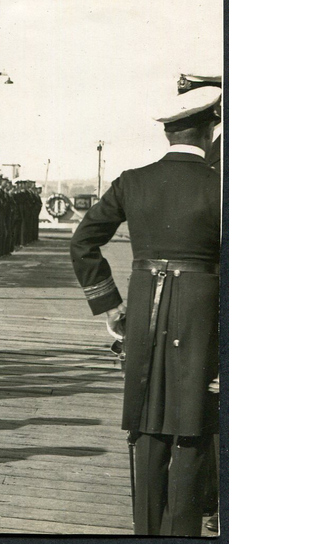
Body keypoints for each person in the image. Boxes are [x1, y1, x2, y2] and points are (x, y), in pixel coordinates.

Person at [69, 82, 222, 536]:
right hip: (203, 314)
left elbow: (83, 242)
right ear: (211, 129)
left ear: (168, 133)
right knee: (194, 425)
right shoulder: (225, 186)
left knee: (148, 423)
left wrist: (112, 306)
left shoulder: (132, 181)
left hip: (144, 312)